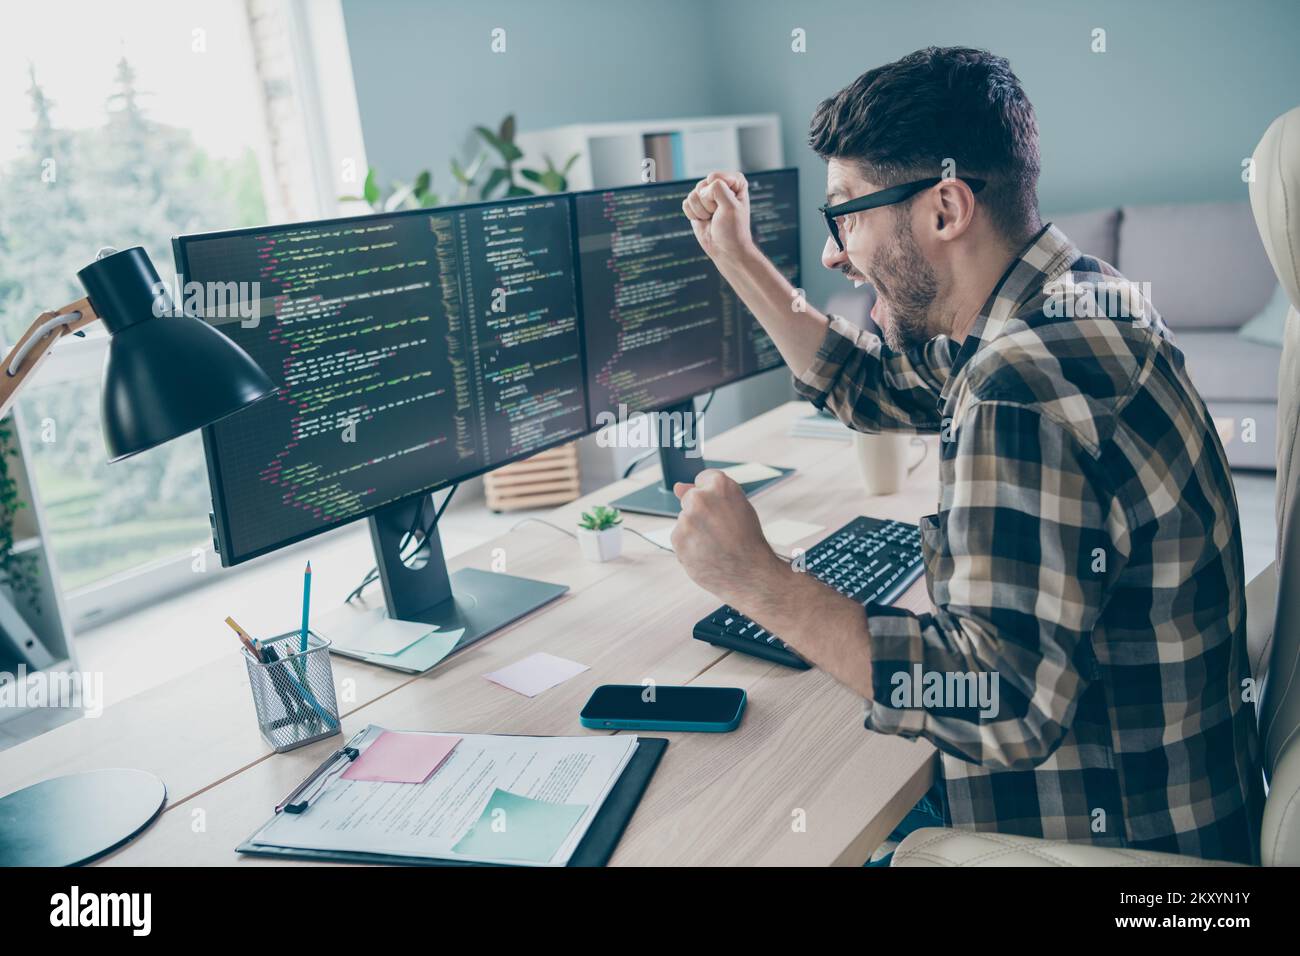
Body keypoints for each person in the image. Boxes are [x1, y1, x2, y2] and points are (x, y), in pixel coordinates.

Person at [673, 46, 1263, 864]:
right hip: (1182, 805)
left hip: (1128, 850)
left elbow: (997, 701)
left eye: (847, 214)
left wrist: (757, 581)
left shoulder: (1020, 388)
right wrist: (737, 257)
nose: (837, 254)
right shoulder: (1079, 297)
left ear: (945, 209)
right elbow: (871, 387)